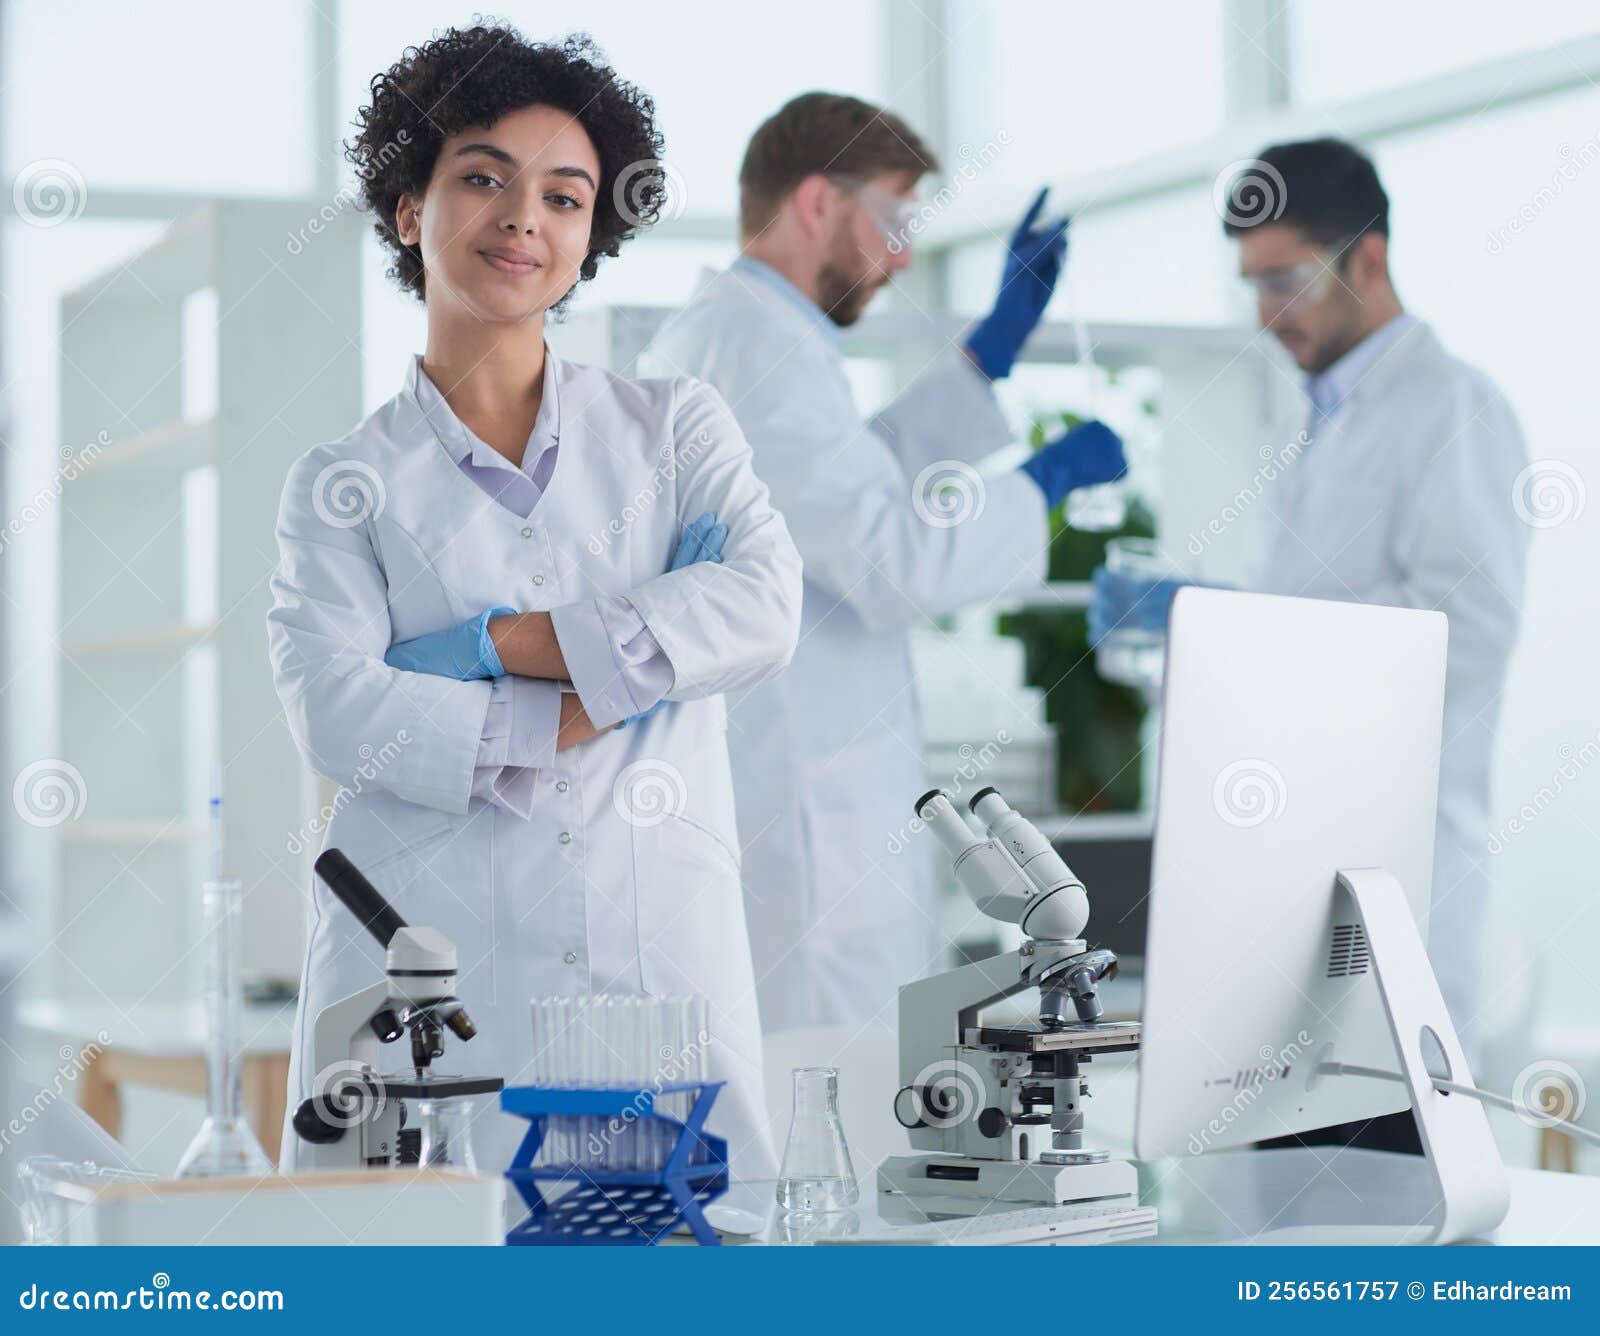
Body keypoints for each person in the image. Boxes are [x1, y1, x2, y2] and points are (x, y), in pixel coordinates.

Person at [265, 25, 802, 1207]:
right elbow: (338, 712)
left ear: (590, 235)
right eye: (483, 178)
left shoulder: (676, 428)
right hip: (433, 969)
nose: (523, 219)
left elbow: (765, 607)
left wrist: (492, 652)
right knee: (423, 1256)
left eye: (564, 196)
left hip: (654, 956)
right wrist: (639, 657)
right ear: (410, 207)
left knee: (683, 1259)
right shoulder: (340, 482)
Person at [637, 93, 1126, 1033]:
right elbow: (895, 559)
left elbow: (853, 484)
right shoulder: (753, 346)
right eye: (895, 220)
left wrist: (986, 358)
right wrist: (1044, 480)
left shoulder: (750, 336)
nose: (900, 258)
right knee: (829, 1083)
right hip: (804, 814)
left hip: (811, 790)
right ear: (819, 201)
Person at [1095, 138, 1527, 1142]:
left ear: (1366, 258)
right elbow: (1316, 626)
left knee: (1392, 1175)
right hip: (1293, 875)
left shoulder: (1452, 408)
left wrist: (1223, 617)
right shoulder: (1321, 419)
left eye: (1285, 280)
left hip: (1399, 886)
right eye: (1251, 283)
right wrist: (1207, 634)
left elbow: (1463, 632)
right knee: (1291, 1186)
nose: (1266, 312)